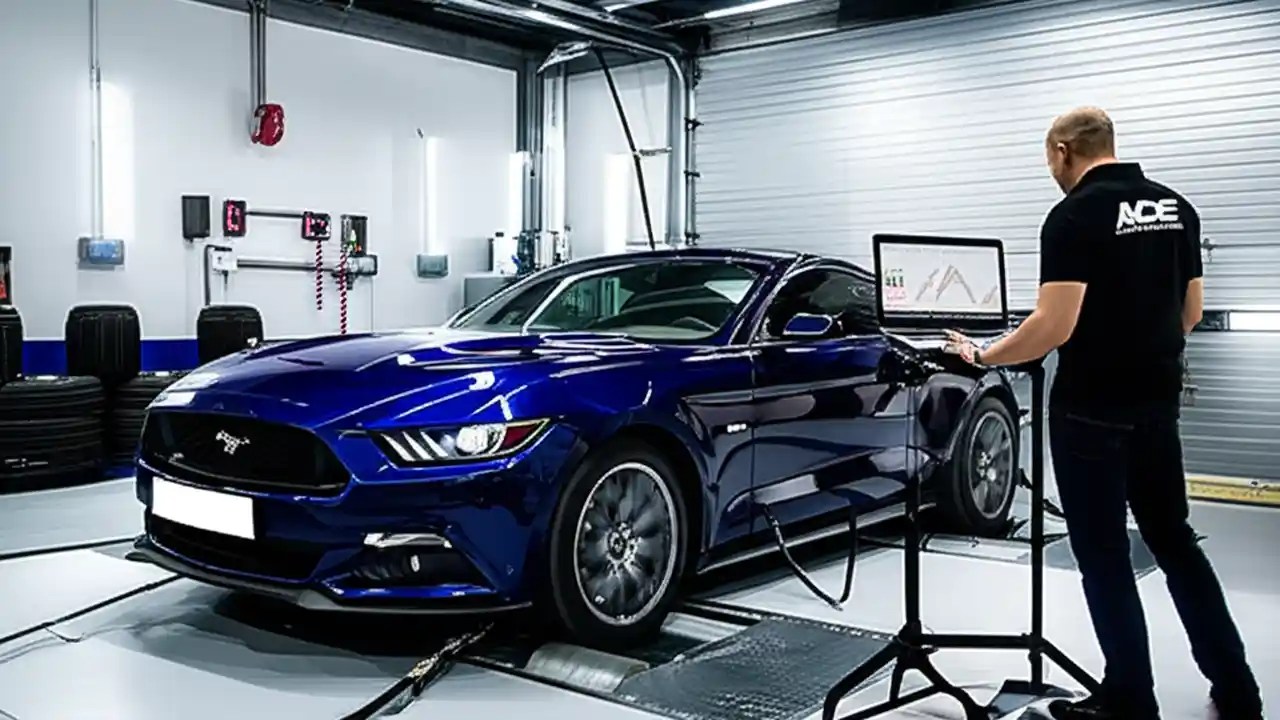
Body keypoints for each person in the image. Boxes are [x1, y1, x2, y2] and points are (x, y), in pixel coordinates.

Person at [945, 107, 1263, 720]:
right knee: (1176, 544)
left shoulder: (1073, 216)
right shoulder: (1176, 207)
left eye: (1050, 161)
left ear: (1064, 150)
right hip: (1156, 406)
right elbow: (1189, 314)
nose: (1052, 173)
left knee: (1105, 556)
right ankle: (1238, 689)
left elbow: (1051, 327)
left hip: (1090, 412)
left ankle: (1131, 700)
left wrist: (982, 355)